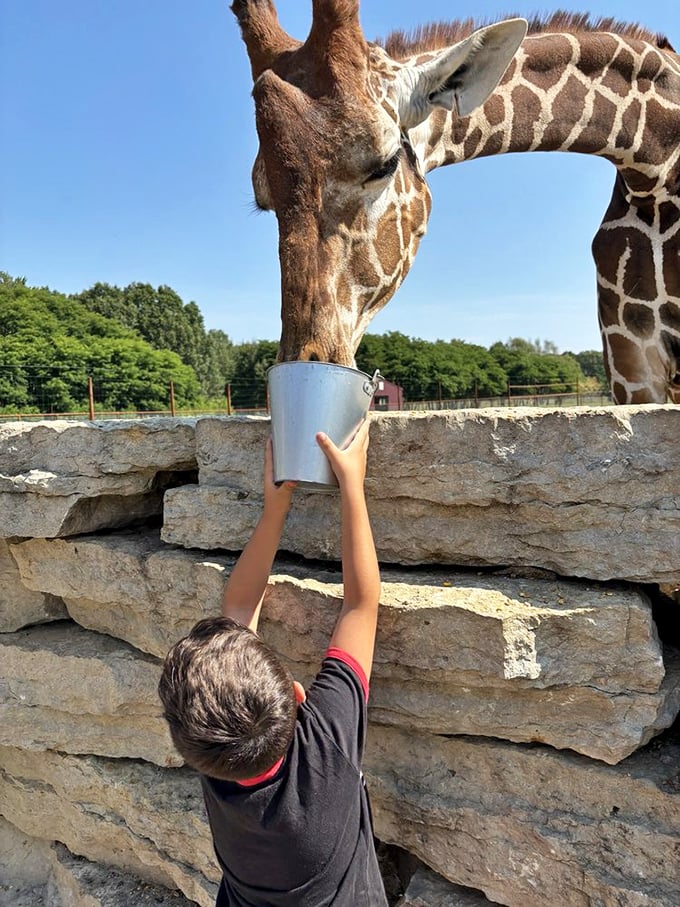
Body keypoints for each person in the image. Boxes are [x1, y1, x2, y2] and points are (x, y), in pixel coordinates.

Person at [158, 418, 388, 906]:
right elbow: (360, 606)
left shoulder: (217, 757)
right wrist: (353, 486)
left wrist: (274, 511)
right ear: (298, 697)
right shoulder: (325, 747)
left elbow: (239, 612)